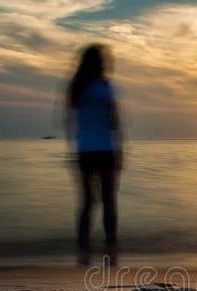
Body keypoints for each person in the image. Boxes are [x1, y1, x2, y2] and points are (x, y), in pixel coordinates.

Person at [65, 44, 123, 265]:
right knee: (108, 200)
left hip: (84, 150)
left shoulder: (76, 87)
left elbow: (67, 119)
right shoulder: (105, 86)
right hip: (105, 149)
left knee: (88, 200)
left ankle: (83, 249)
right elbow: (114, 121)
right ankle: (111, 248)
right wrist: (120, 149)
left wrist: (74, 147)